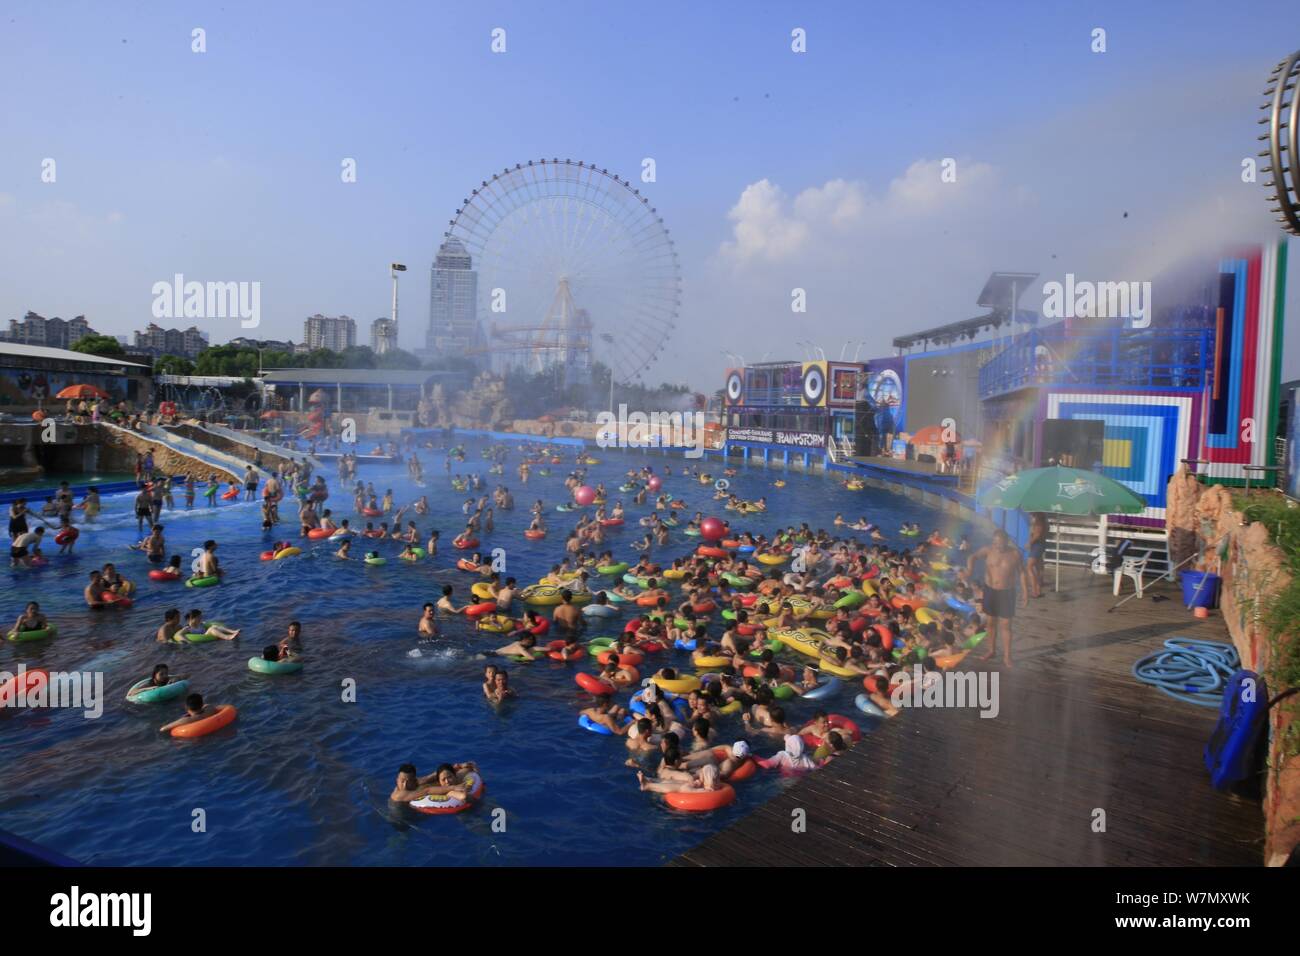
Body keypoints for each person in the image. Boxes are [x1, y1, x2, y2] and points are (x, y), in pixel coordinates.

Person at [965, 529, 1029, 668]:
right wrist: (969, 570)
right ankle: (991, 650)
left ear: (1006, 541)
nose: (998, 546)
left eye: (1000, 544)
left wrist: (1025, 592)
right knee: (990, 623)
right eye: (995, 543)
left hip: (1007, 593)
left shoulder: (1015, 554)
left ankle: (1007, 657)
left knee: (1006, 625)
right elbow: (972, 557)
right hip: (990, 591)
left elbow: (1022, 573)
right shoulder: (988, 550)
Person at [388, 762, 478, 804]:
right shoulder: (398, 794)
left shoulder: (417, 782)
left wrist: (458, 766)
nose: (405, 785)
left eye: (408, 781)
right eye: (402, 781)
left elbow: (430, 777)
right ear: (397, 780)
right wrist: (454, 787)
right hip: (401, 819)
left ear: (415, 780)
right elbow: (427, 791)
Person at [159, 693, 227, 734]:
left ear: (187, 708)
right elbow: (209, 706)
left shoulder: (186, 720)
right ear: (202, 704)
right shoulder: (210, 709)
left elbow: (163, 729)